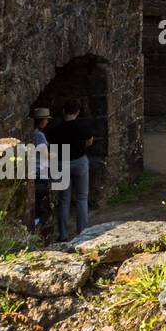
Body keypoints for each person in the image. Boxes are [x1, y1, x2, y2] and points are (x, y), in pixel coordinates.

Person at [51, 100, 94, 241]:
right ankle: (82, 233)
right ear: (77, 112)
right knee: (82, 198)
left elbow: (51, 148)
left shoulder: (56, 129)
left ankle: (63, 234)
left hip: (62, 163)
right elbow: (89, 141)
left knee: (64, 200)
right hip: (79, 161)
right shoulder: (83, 126)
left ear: (64, 111)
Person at [30, 107, 53, 239]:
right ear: (43, 121)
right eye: (46, 120)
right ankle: (40, 232)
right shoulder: (39, 135)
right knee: (41, 204)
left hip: (36, 170)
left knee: (39, 203)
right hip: (40, 171)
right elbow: (45, 154)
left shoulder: (32, 133)